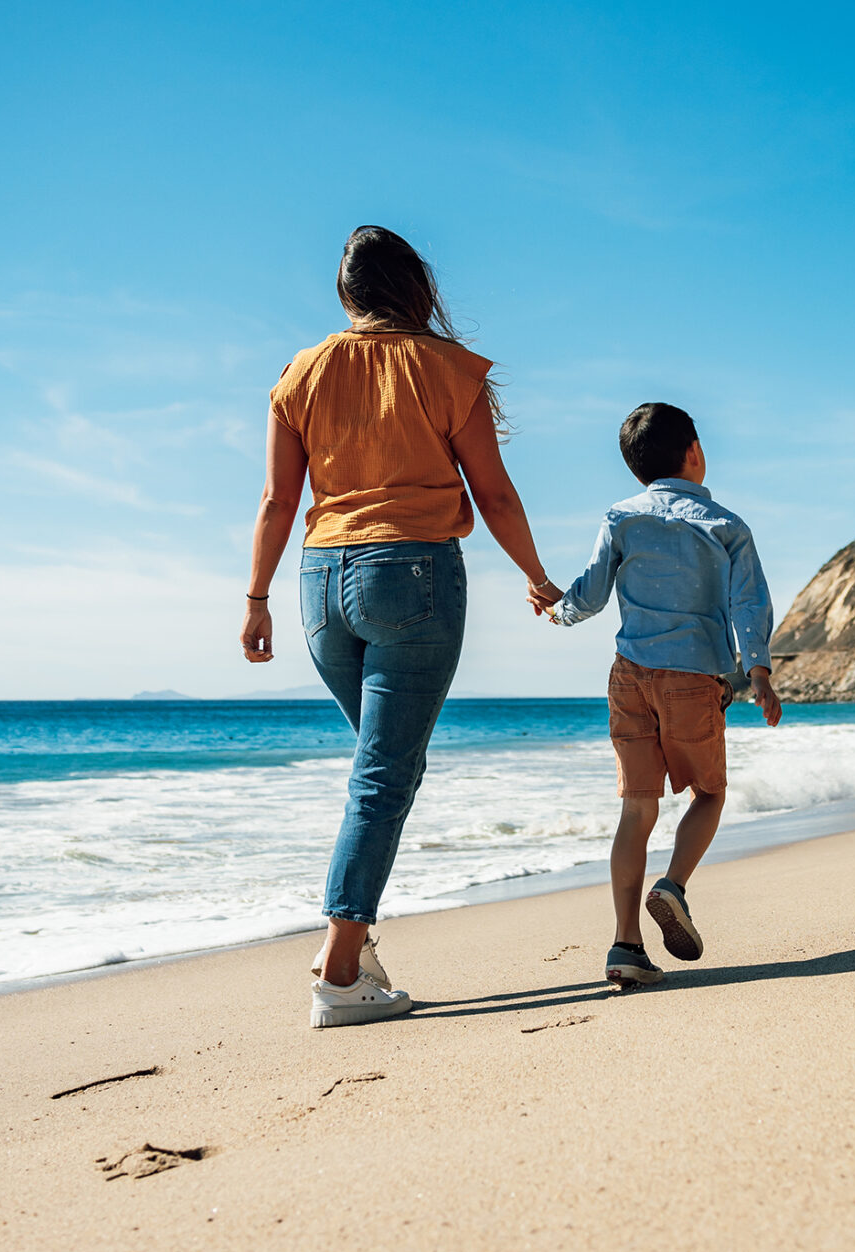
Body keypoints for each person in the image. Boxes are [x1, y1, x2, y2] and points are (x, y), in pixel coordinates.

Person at [241, 226, 563, 1027]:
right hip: (411, 575)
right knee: (385, 774)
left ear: (347, 293)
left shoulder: (300, 372)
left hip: (319, 583)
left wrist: (257, 597)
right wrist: (536, 574)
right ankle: (340, 969)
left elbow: (279, 501)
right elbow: (493, 495)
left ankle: (353, 950)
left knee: (388, 768)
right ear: (414, 287)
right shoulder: (448, 370)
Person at [545, 402, 781, 988]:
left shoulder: (620, 518)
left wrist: (557, 610)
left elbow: (591, 596)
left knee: (637, 808)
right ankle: (672, 885)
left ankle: (625, 944)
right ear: (694, 451)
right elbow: (749, 605)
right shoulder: (726, 525)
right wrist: (759, 674)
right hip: (693, 679)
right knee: (710, 792)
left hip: (628, 676)